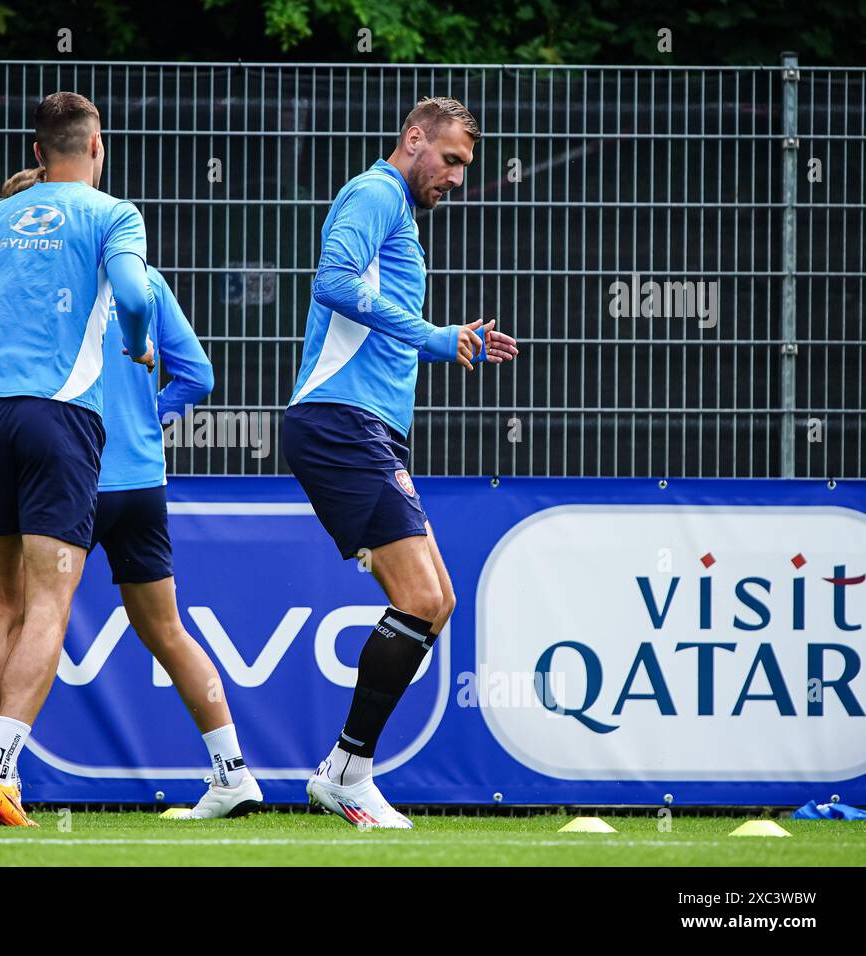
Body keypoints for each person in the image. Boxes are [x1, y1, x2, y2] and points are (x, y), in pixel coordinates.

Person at [0, 167, 263, 819]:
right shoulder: (143, 279)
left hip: (66, 479)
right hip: (140, 481)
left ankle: (1, 775)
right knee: (166, 628)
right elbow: (199, 375)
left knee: (24, 617)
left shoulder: (31, 298)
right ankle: (232, 772)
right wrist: (147, 418)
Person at [0, 93, 155, 827]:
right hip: (60, 418)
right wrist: (137, 342)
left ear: (36, 153)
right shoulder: (112, 212)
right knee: (49, 599)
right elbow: (138, 293)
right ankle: (1, 769)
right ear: (97, 146)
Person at [282, 97, 520, 829]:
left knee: (436, 600)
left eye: (464, 167)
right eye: (449, 159)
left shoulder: (401, 214)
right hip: (339, 423)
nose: (455, 176)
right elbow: (333, 281)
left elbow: (379, 316)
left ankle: (346, 770)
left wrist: (438, 343)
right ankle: (347, 774)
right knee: (421, 599)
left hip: (369, 430)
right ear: (413, 139)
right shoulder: (375, 192)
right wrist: (434, 333)